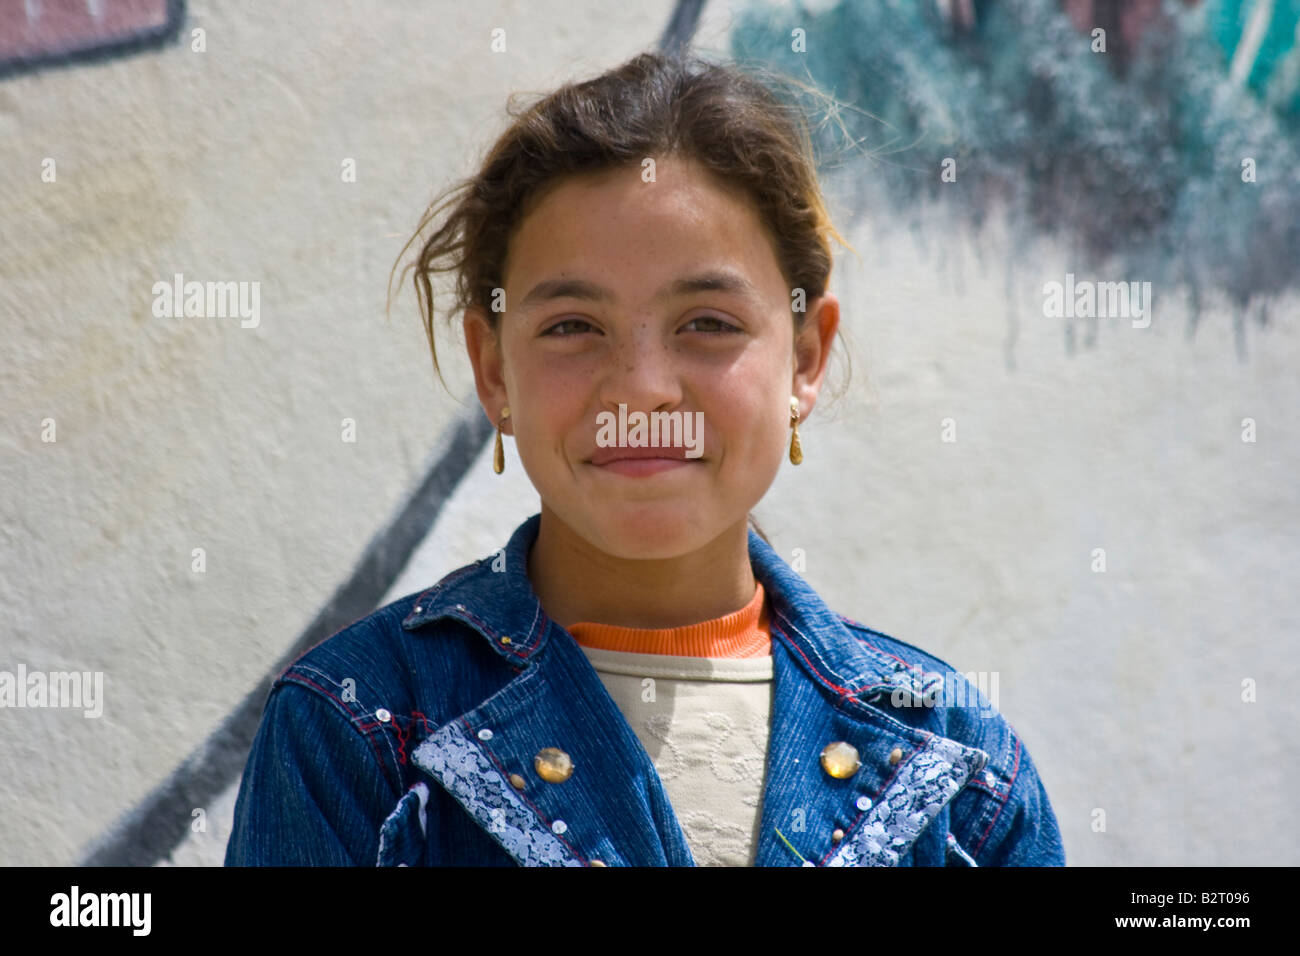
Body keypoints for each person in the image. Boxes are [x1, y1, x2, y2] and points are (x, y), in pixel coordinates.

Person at [225, 50, 1065, 867]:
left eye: (707, 323)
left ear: (805, 360)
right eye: (572, 328)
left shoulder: (957, 761)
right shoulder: (359, 730)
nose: (643, 391)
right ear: (494, 371)